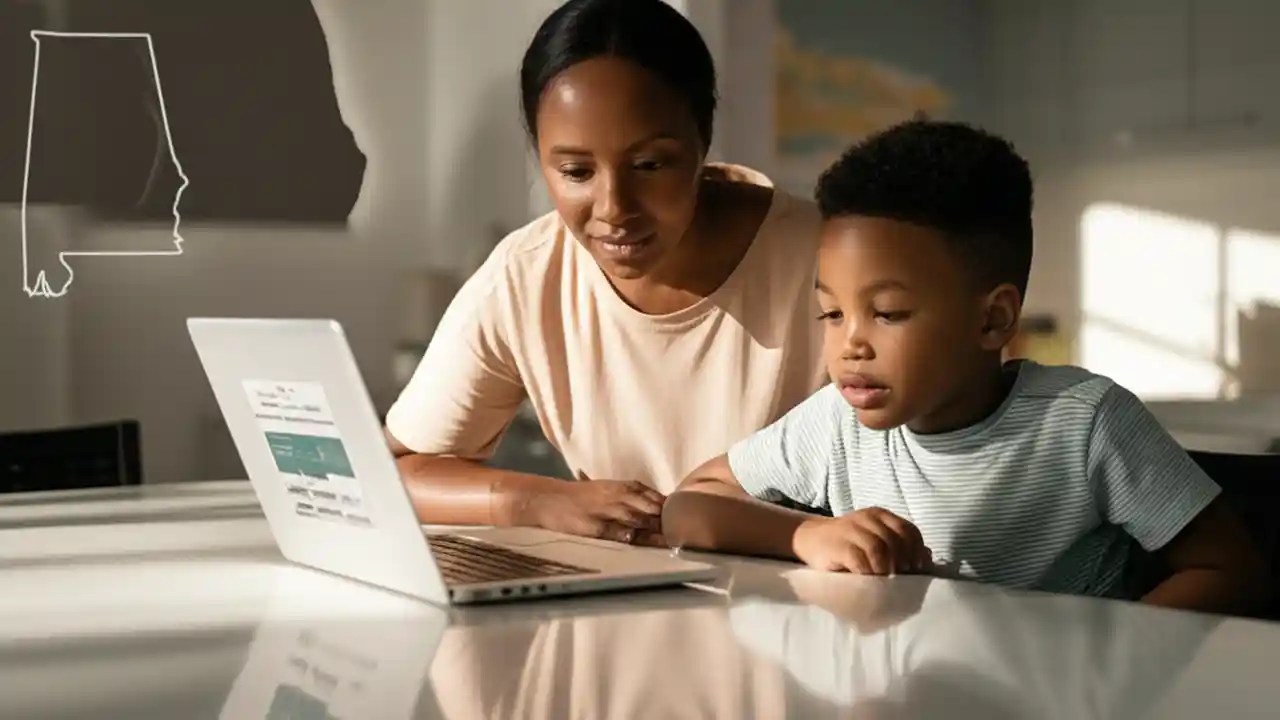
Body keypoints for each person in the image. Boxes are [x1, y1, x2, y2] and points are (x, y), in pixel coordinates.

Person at [662, 119, 1268, 614]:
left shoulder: (1084, 423)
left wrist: (1102, 664)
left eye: (888, 313)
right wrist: (805, 534)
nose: (850, 345)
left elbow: (1230, 571)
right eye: (832, 313)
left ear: (992, 320)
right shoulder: (836, 424)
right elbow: (688, 506)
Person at [384, 0, 825, 545]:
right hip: (622, 587)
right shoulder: (526, 275)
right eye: (576, 171)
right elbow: (398, 471)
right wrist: (534, 500)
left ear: (703, 137)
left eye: (649, 165)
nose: (614, 207)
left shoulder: (826, 258)